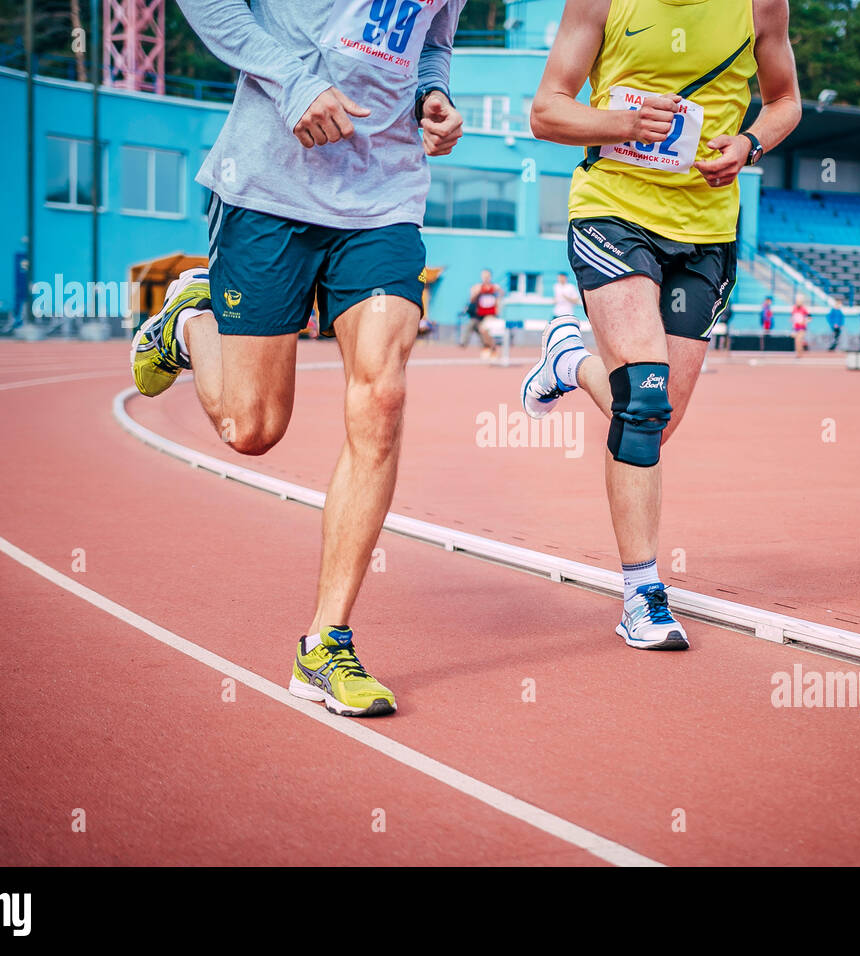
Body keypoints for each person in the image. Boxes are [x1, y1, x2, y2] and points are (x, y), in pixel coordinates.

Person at [130, 0, 466, 718]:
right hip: (270, 188)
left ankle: (325, 643)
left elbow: (431, 42)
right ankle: (190, 320)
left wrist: (434, 96)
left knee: (382, 397)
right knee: (252, 430)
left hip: (383, 197)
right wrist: (292, 82)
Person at [520, 0, 801, 650]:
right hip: (613, 209)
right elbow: (546, 110)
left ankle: (571, 364)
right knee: (643, 399)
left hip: (705, 231)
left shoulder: (763, 6)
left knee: (659, 421)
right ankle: (642, 595)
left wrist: (751, 143)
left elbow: (785, 100)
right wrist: (622, 121)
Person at [463, 269, 501, 356]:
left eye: (487, 276)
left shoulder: (495, 287)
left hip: (490, 314)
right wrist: (476, 292)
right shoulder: (477, 287)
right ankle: (489, 348)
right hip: (479, 315)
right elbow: (471, 300)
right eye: (484, 276)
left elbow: (501, 296)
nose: (486, 278)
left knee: (483, 329)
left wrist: (499, 293)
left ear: (490, 277)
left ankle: (491, 348)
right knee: (478, 330)